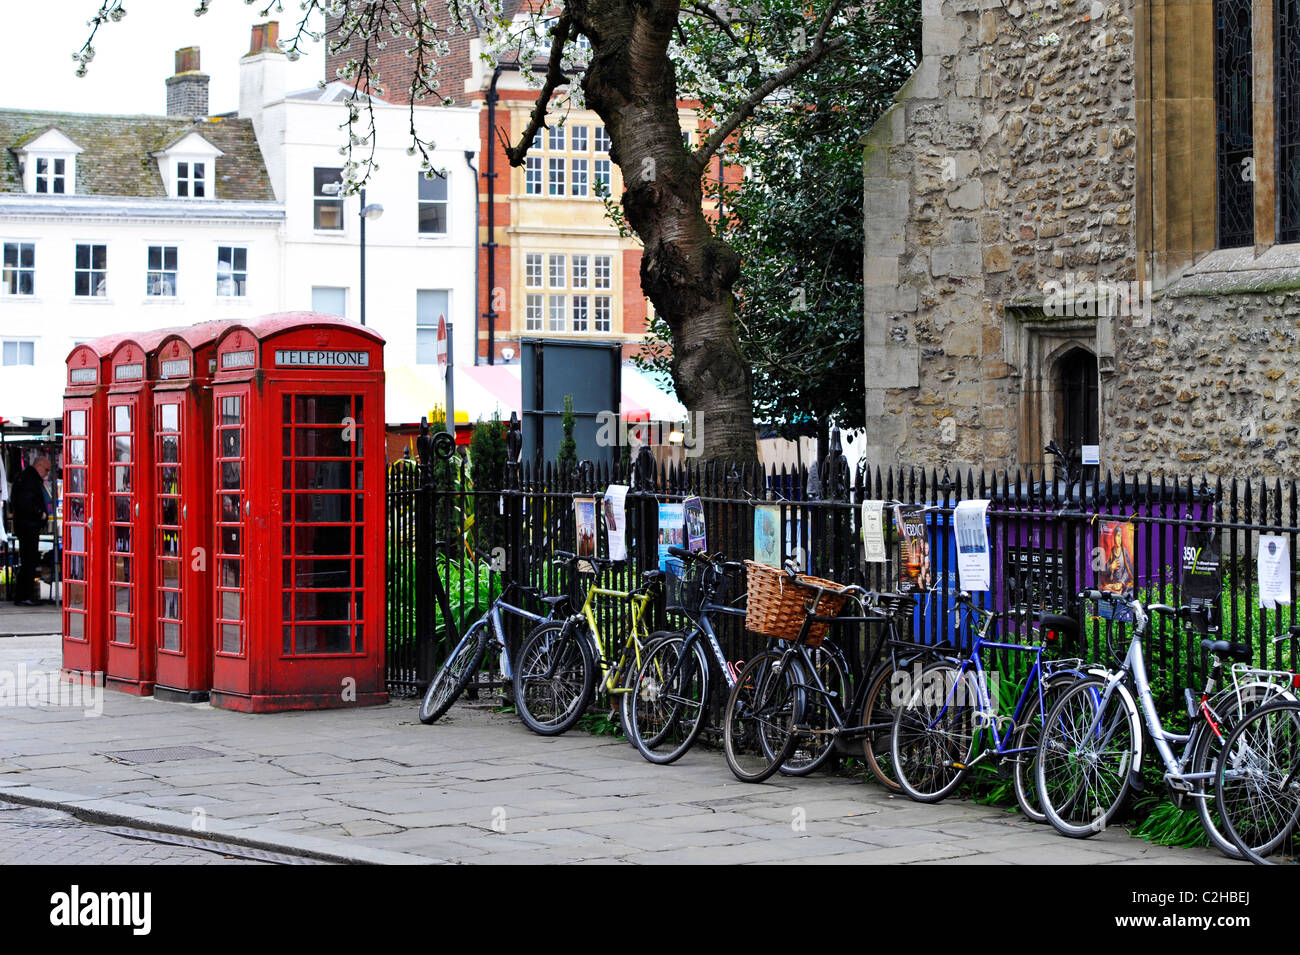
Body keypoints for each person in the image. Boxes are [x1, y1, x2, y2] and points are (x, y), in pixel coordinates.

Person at [11, 456, 51, 606]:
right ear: (38, 466)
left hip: (27, 525)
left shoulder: (26, 477)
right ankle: (23, 595)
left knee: (29, 560)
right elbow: (25, 501)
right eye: (46, 470)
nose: (47, 474)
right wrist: (39, 512)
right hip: (28, 526)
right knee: (29, 560)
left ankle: (25, 594)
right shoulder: (28, 479)